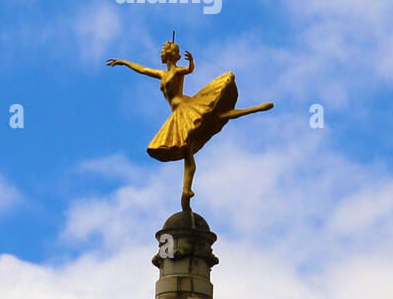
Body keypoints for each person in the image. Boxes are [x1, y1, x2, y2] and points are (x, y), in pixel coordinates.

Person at [107, 38, 273, 208]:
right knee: (189, 148)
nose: (161, 55)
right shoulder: (162, 74)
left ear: (170, 55)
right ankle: (187, 189)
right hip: (177, 113)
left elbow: (189, 70)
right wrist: (124, 62)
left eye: (164, 52)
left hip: (185, 106)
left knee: (217, 115)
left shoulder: (178, 71)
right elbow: (142, 69)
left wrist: (192, 61)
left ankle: (255, 108)